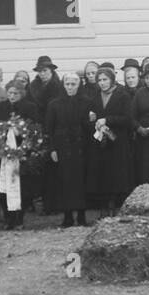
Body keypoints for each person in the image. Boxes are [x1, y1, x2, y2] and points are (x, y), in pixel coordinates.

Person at [46, 71, 98, 227]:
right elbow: (49, 129)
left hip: (82, 147)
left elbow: (90, 128)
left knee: (81, 182)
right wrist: (52, 149)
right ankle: (67, 217)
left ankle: (81, 216)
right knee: (64, 181)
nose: (70, 87)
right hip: (62, 147)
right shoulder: (54, 104)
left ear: (79, 85)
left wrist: (93, 121)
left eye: (73, 84)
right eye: (67, 84)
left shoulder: (87, 102)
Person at [86, 66, 134, 216]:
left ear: (112, 80)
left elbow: (128, 119)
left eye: (105, 79)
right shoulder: (95, 96)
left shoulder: (122, 95)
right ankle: (103, 207)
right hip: (100, 141)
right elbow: (91, 116)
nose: (102, 83)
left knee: (116, 174)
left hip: (117, 140)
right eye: (99, 80)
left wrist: (108, 119)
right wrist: (92, 119)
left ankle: (114, 206)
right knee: (101, 173)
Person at [0, 80, 42, 227]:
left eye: (15, 93)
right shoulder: (0, 107)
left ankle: (19, 217)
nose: (12, 96)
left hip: (22, 151)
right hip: (4, 152)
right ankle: (8, 218)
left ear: (21, 94)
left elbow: (34, 129)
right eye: (9, 93)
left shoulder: (30, 107)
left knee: (23, 187)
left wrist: (21, 134)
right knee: (4, 185)